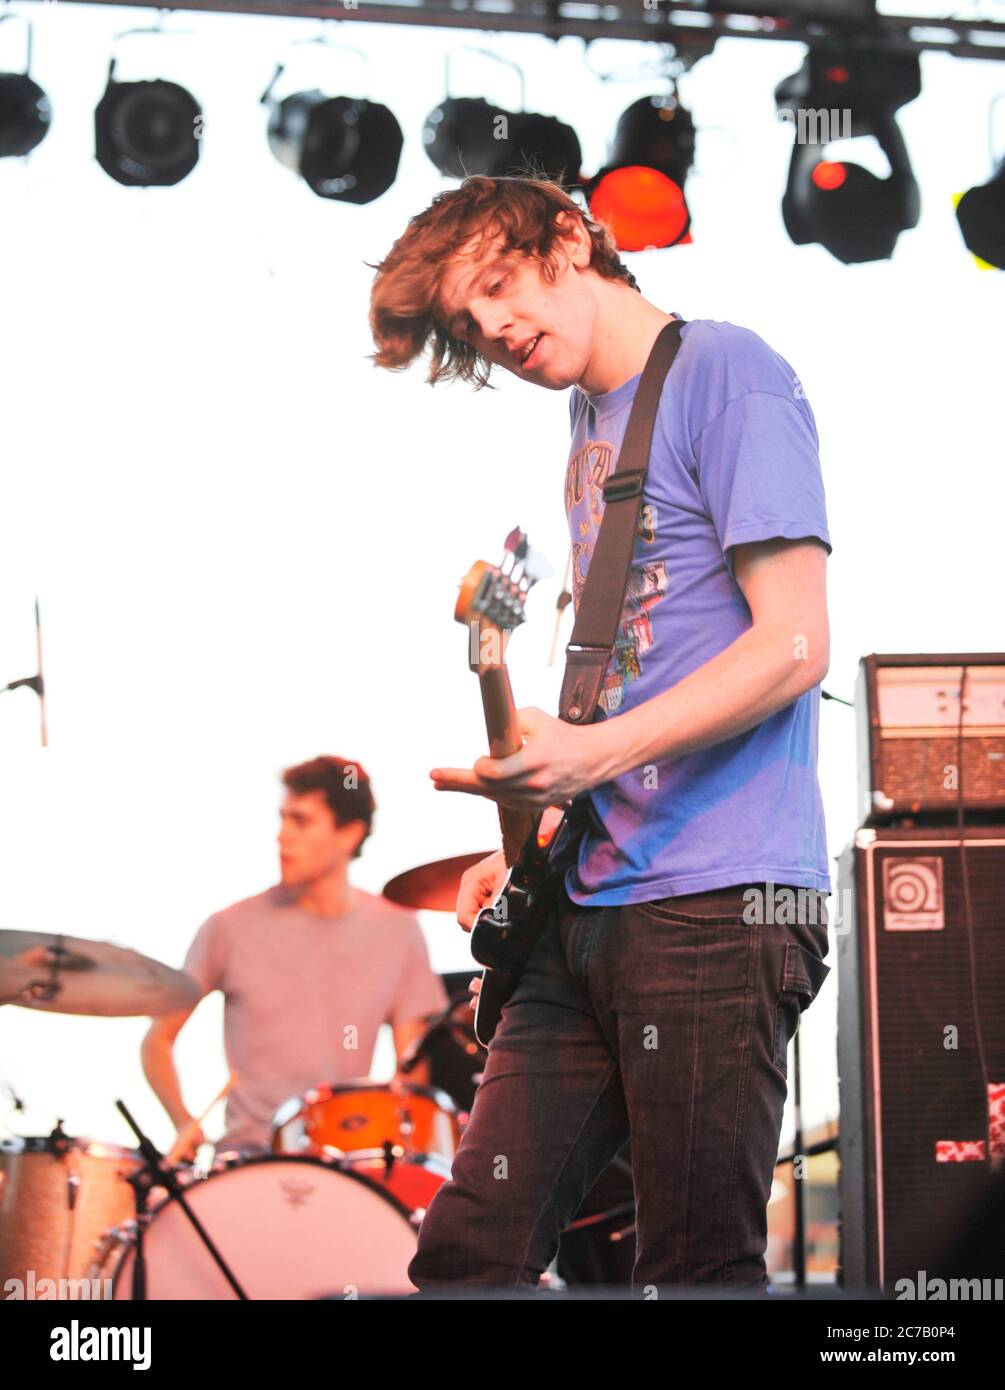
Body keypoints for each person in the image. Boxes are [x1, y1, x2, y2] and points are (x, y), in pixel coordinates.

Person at [367, 173, 834, 1294]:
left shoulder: (728, 372)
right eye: (470, 325)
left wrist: (593, 758)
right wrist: (529, 838)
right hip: (587, 903)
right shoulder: (587, 424)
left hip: (716, 905)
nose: (495, 329)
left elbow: (794, 646)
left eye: (496, 284)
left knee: (693, 1270)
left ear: (569, 237)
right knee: (467, 1258)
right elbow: (629, 680)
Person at [142, 755, 449, 1159]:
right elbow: (158, 1040)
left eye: (300, 821)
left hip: (344, 1159)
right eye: (282, 818)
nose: (282, 836)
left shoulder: (399, 929)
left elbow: (410, 1071)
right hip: (247, 1157)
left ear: (349, 834)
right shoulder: (228, 927)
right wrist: (183, 1120)